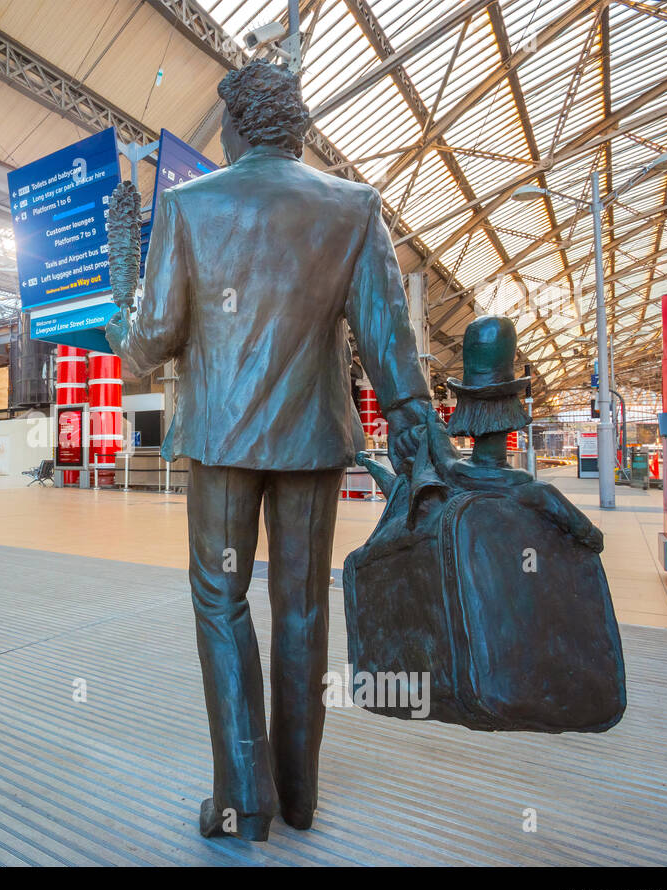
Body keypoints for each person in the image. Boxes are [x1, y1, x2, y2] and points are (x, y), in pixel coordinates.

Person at [104, 62, 440, 841]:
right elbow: (388, 339)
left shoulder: (189, 207)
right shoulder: (353, 207)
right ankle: (299, 793)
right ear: (293, 125)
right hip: (312, 438)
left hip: (223, 440)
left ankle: (241, 797)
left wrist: (122, 321)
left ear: (237, 128)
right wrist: (420, 428)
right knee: (302, 606)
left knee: (221, 603)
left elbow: (151, 342)